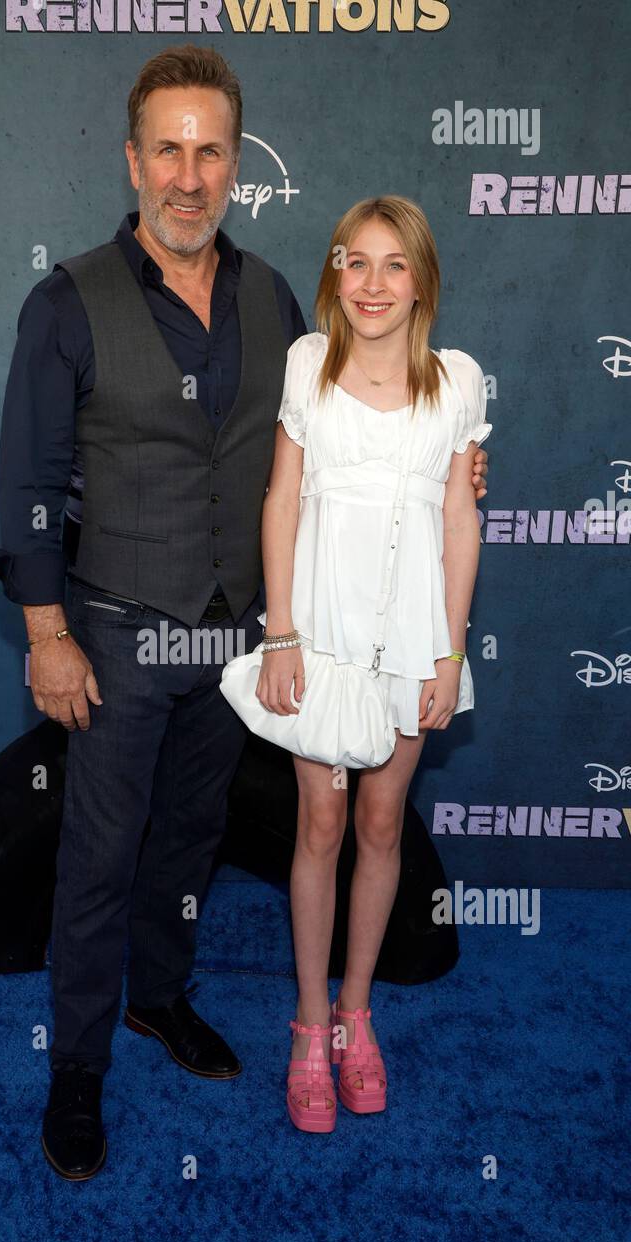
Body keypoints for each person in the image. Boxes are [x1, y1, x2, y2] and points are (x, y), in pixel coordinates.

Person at [0, 47, 491, 1179]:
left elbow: (354, 438)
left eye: (209, 149)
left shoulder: (275, 304)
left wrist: (453, 467)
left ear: (234, 167)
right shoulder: (67, 300)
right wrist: (46, 634)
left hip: (240, 635)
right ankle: (75, 1071)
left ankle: (161, 1001)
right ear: (133, 159)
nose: (187, 172)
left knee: (189, 839)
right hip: (113, 625)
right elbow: (26, 478)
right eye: (166, 147)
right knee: (99, 855)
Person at [247, 196, 491, 1132]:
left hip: (414, 641)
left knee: (383, 825)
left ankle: (357, 1012)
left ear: (422, 280)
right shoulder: (308, 367)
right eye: (357, 263)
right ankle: (309, 1023)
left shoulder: (457, 383)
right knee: (320, 820)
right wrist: (280, 634)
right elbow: (281, 500)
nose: (374, 284)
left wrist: (449, 652)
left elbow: (460, 519)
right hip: (319, 633)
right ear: (334, 275)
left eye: (396, 266)